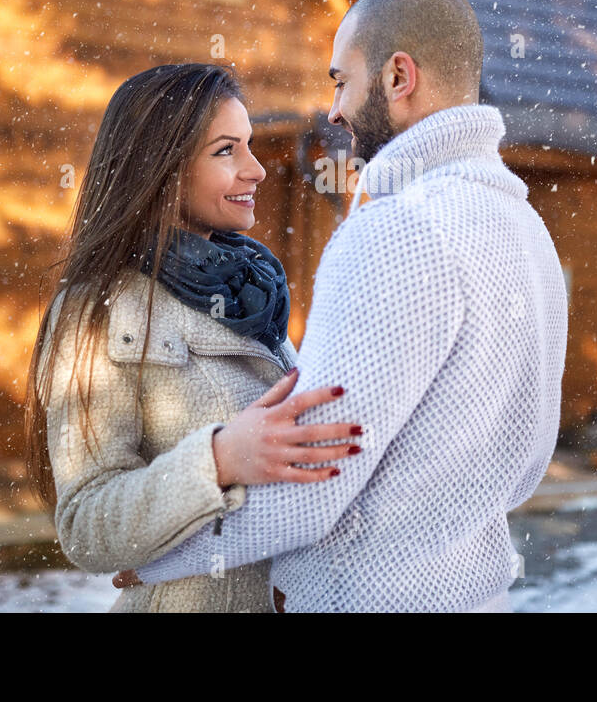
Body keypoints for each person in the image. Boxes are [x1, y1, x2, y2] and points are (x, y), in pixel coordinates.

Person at [119, 0, 569, 612]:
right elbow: (526, 456)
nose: (332, 109)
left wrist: (164, 554)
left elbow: (315, 474)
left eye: (341, 80)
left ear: (397, 77)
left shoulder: (398, 231)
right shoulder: (527, 231)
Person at [24, 62, 361, 612]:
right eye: (226, 150)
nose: (256, 170)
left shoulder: (253, 293)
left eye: (249, 146)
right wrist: (220, 459)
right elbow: (87, 524)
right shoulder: (96, 310)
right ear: (161, 168)